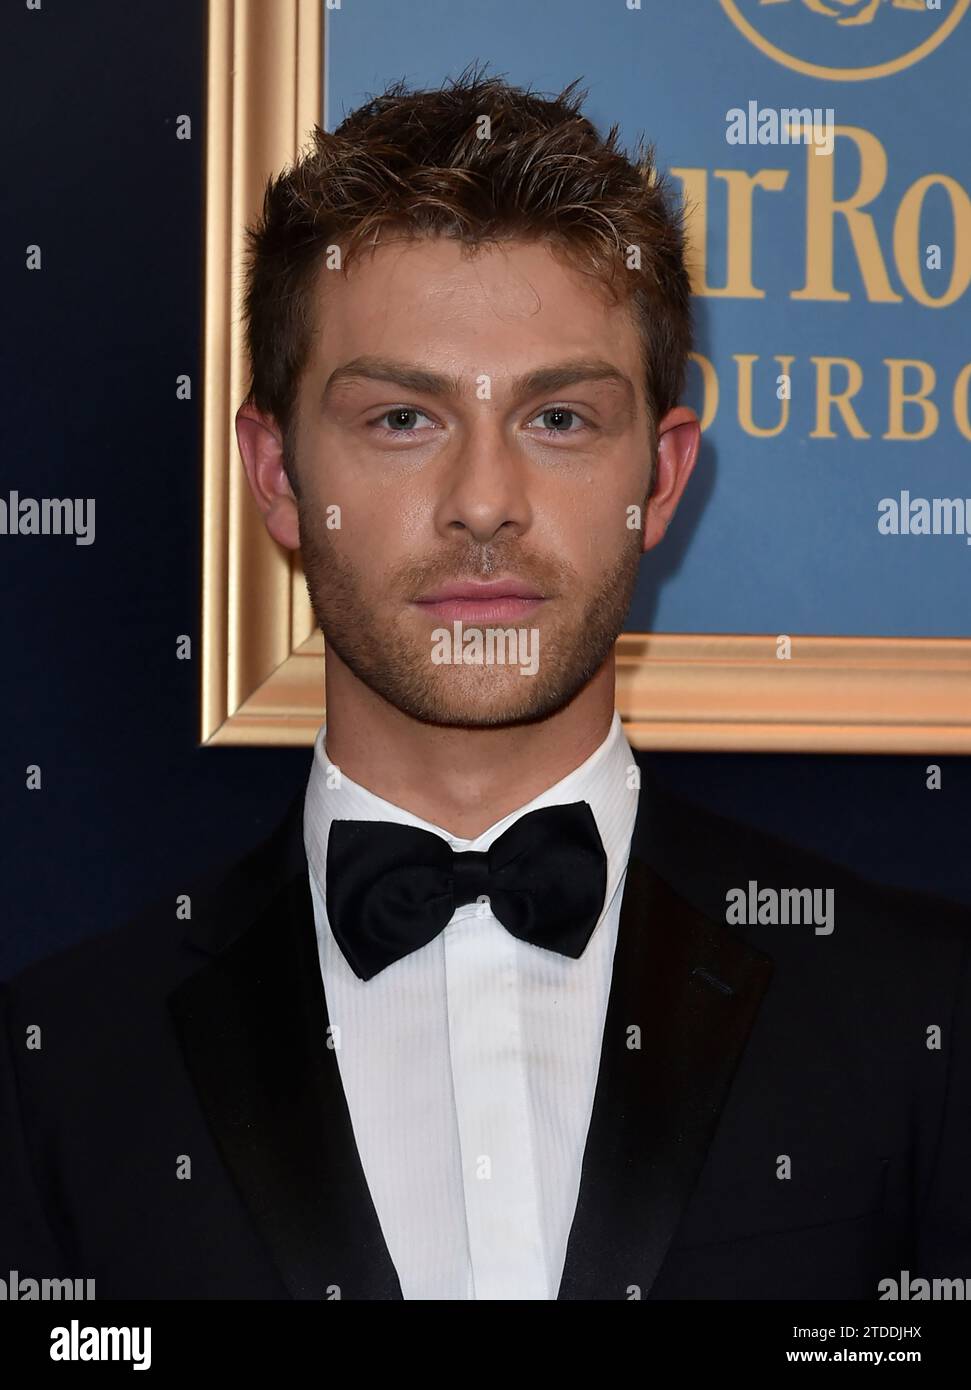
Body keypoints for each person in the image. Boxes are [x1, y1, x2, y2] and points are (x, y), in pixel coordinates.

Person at [1, 68, 968, 1301]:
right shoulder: (58, 1064)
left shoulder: (921, 1016)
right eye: (401, 419)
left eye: (559, 418)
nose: (483, 504)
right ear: (278, 473)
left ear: (660, 478)